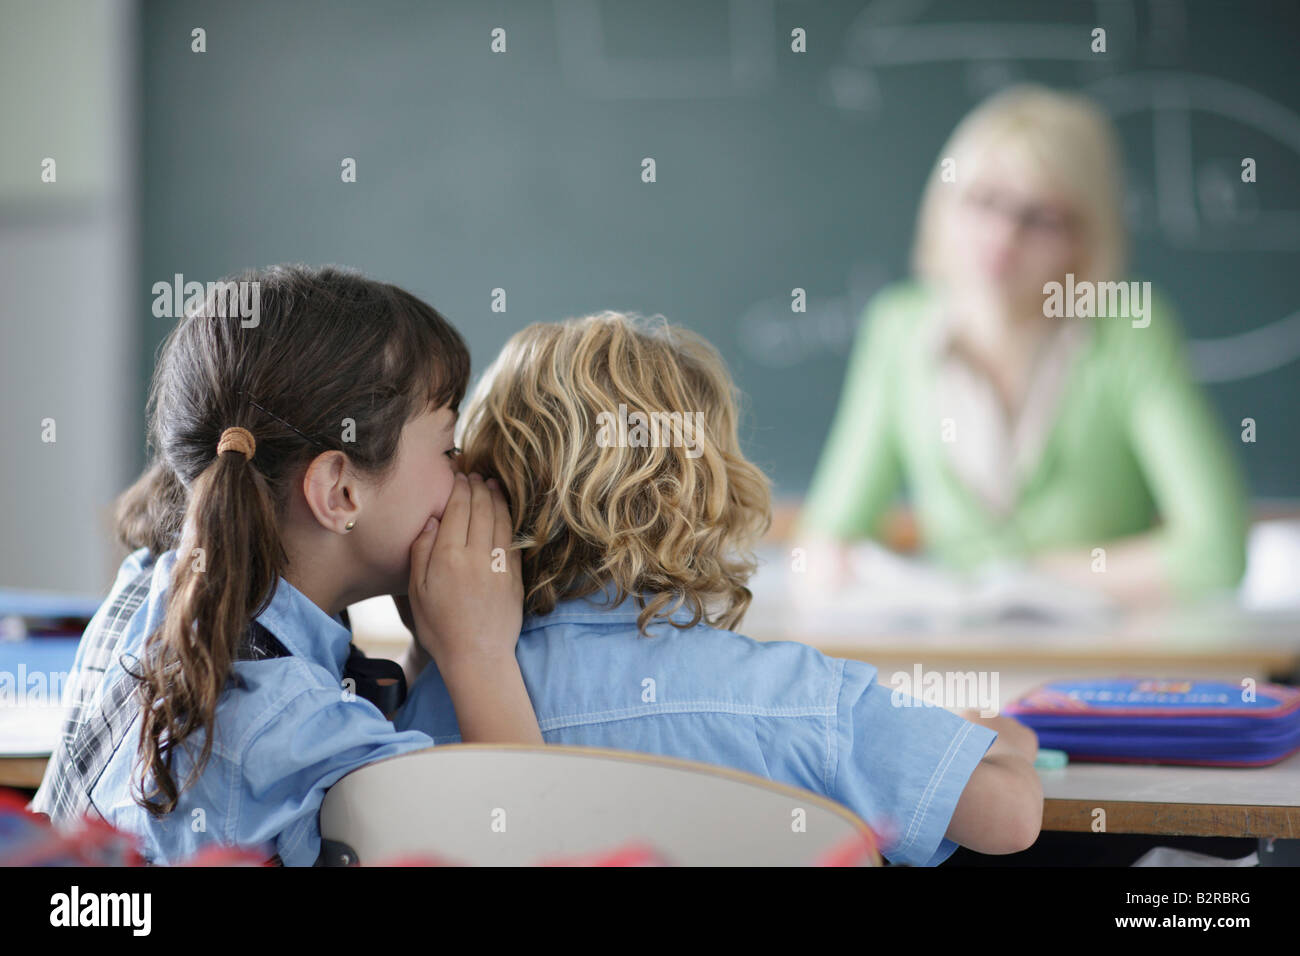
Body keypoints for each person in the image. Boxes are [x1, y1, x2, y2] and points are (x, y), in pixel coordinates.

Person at [395, 312, 1043, 865]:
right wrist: (1012, 741)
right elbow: (1009, 819)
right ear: (703, 496)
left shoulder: (427, 716)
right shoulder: (800, 703)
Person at [30, 264, 538, 865]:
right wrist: (477, 655)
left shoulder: (149, 584)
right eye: (448, 447)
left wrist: (422, 644)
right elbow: (533, 850)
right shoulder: (298, 730)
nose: (464, 477)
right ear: (339, 492)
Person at [800, 85, 1248, 605]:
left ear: (1085, 240)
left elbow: (1217, 553)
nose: (1003, 236)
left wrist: (1021, 582)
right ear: (943, 203)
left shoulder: (1128, 330)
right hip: (955, 659)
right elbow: (828, 536)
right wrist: (841, 565)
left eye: (1041, 218)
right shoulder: (898, 328)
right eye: (984, 200)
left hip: (1101, 665)